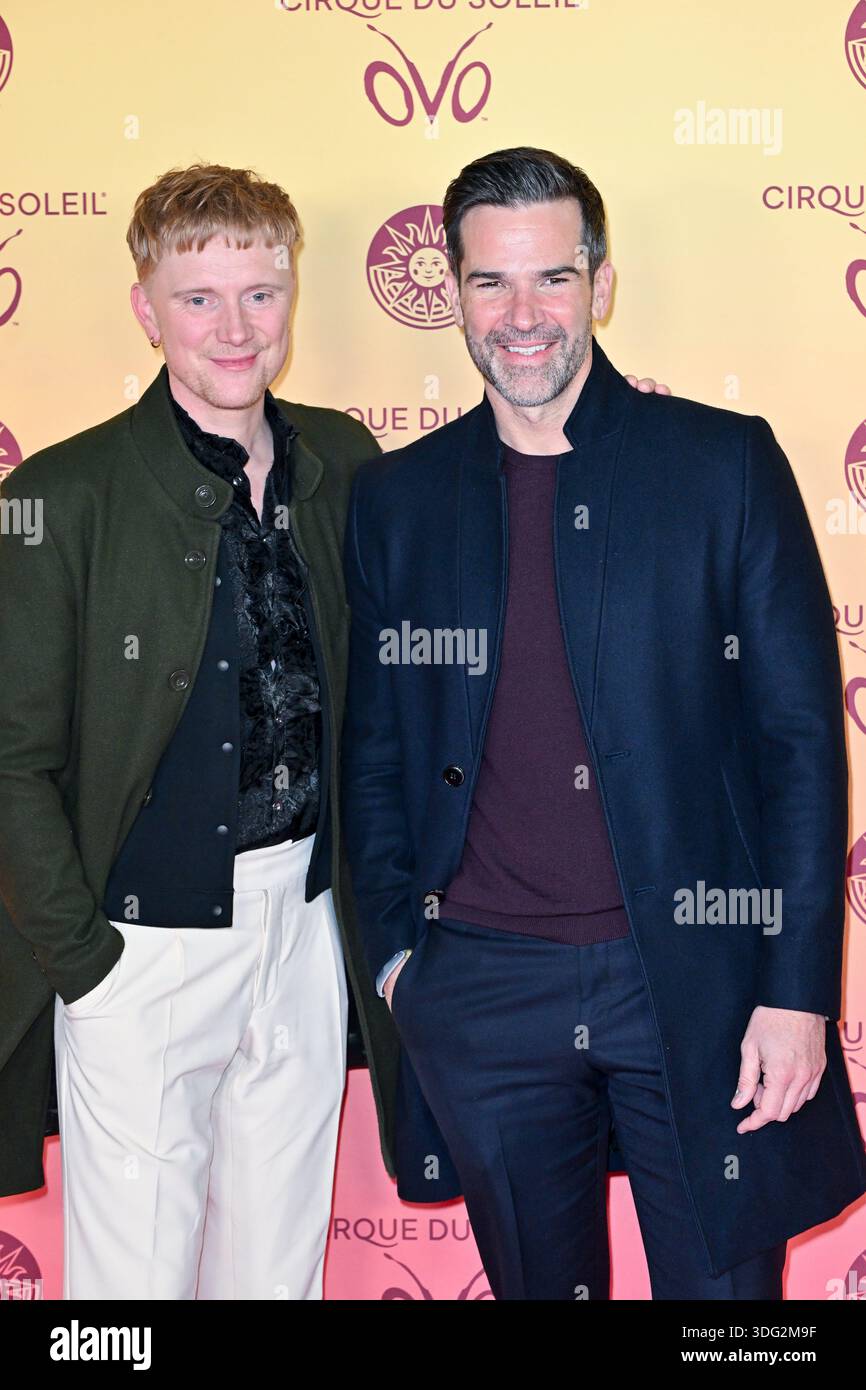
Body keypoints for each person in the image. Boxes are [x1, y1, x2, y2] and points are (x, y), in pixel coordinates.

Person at [0, 159, 668, 1300]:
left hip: (306, 930)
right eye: (198, 297)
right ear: (144, 307)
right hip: (137, 946)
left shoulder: (343, 463)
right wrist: (88, 964)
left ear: (291, 293)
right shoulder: (65, 495)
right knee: (127, 1286)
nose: (234, 327)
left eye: (260, 292)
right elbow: (12, 760)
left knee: (277, 1269)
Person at [341, 145, 866, 1300]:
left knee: (727, 1310)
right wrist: (396, 965)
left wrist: (795, 990)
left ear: (600, 282)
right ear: (454, 292)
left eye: (551, 279)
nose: (521, 317)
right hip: (480, 988)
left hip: (693, 978)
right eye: (489, 282)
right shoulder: (396, 500)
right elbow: (371, 750)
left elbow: (796, 747)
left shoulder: (720, 468)